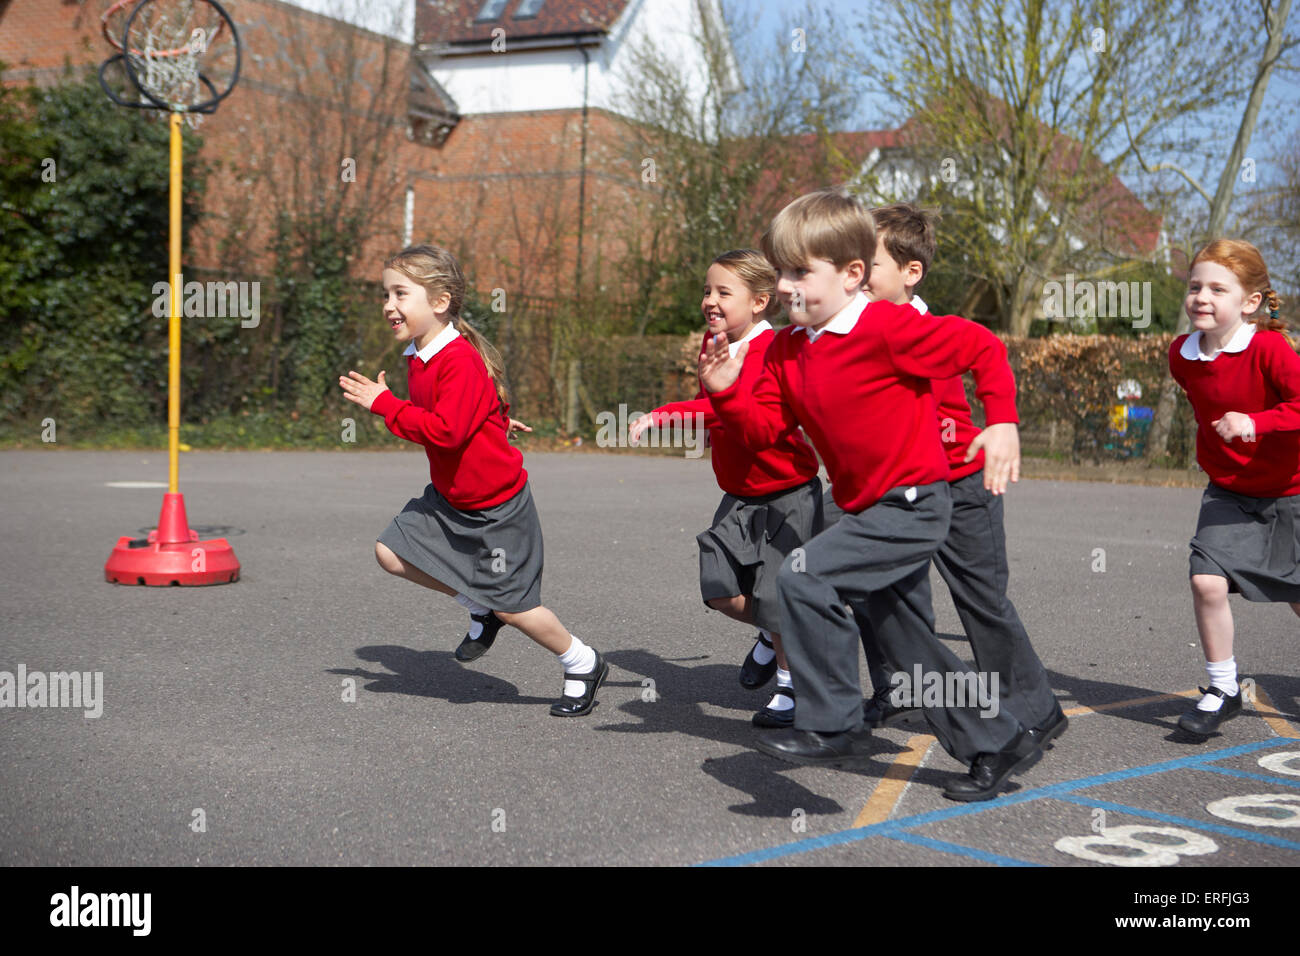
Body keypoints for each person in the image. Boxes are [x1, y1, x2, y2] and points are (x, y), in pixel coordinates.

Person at [701, 189, 1039, 801]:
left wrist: (1004, 420)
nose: (785, 286)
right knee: (909, 644)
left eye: (803, 272)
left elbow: (982, 348)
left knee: (803, 577)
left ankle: (832, 721)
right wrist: (726, 393)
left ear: (853, 275)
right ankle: (997, 738)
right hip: (862, 508)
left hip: (912, 503)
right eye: (781, 271)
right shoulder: (786, 349)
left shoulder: (890, 328)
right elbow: (764, 433)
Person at [338, 244, 608, 717]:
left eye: (401, 293)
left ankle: (581, 662)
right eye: (386, 294)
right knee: (390, 551)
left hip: (496, 508)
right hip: (451, 498)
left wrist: (384, 404)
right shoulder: (419, 353)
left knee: (516, 610)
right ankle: (477, 604)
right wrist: (497, 419)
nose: (388, 305)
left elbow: (445, 430)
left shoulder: (456, 358)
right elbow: (459, 412)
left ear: (440, 301)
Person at [849, 203, 1066, 747]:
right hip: (902, 488)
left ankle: (1035, 709)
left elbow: (986, 353)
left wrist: (1003, 423)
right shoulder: (856, 326)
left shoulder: (925, 330)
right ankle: (902, 687)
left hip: (963, 485)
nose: (856, 274)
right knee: (881, 590)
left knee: (981, 602)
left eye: (868, 264)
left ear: (910, 272)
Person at [629, 250, 823, 727]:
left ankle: (791, 689)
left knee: (778, 597)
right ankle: (770, 632)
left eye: (722, 292)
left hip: (787, 495)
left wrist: (662, 414)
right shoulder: (713, 343)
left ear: (760, 302)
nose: (709, 300)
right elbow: (708, 402)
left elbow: (721, 410)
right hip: (739, 494)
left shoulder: (771, 350)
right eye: (706, 290)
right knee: (718, 590)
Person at [1168, 238, 1300, 737]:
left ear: (1249, 303)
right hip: (1228, 492)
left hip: (1291, 491)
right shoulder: (1181, 355)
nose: (1202, 296)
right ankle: (1223, 689)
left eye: (1217, 289)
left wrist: (1256, 422)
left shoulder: (1268, 348)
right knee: (1206, 581)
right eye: (1195, 285)